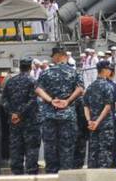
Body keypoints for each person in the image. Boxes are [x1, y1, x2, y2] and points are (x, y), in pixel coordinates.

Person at [35, 44, 83, 174]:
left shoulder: (46, 73)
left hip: (50, 115)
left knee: (50, 147)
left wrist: (51, 100)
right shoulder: (74, 72)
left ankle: (51, 176)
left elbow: (38, 89)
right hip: (68, 115)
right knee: (67, 147)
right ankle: (66, 176)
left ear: (57, 56)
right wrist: (67, 101)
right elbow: (80, 89)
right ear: (64, 56)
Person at [1, 59, 41, 175]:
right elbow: (32, 100)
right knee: (31, 149)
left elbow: (4, 100)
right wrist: (20, 113)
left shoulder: (10, 81)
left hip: (14, 122)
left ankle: (16, 173)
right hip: (30, 122)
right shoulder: (33, 81)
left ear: (20, 67)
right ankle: (31, 173)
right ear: (30, 67)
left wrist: (13, 113)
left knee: (15, 148)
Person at [84, 61, 116, 169]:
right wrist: (98, 121)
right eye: (109, 69)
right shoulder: (107, 86)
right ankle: (103, 180)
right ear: (104, 70)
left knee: (93, 152)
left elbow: (86, 106)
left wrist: (89, 121)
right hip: (105, 125)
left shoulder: (90, 87)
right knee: (105, 152)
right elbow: (108, 106)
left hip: (92, 125)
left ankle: (92, 175)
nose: (110, 71)